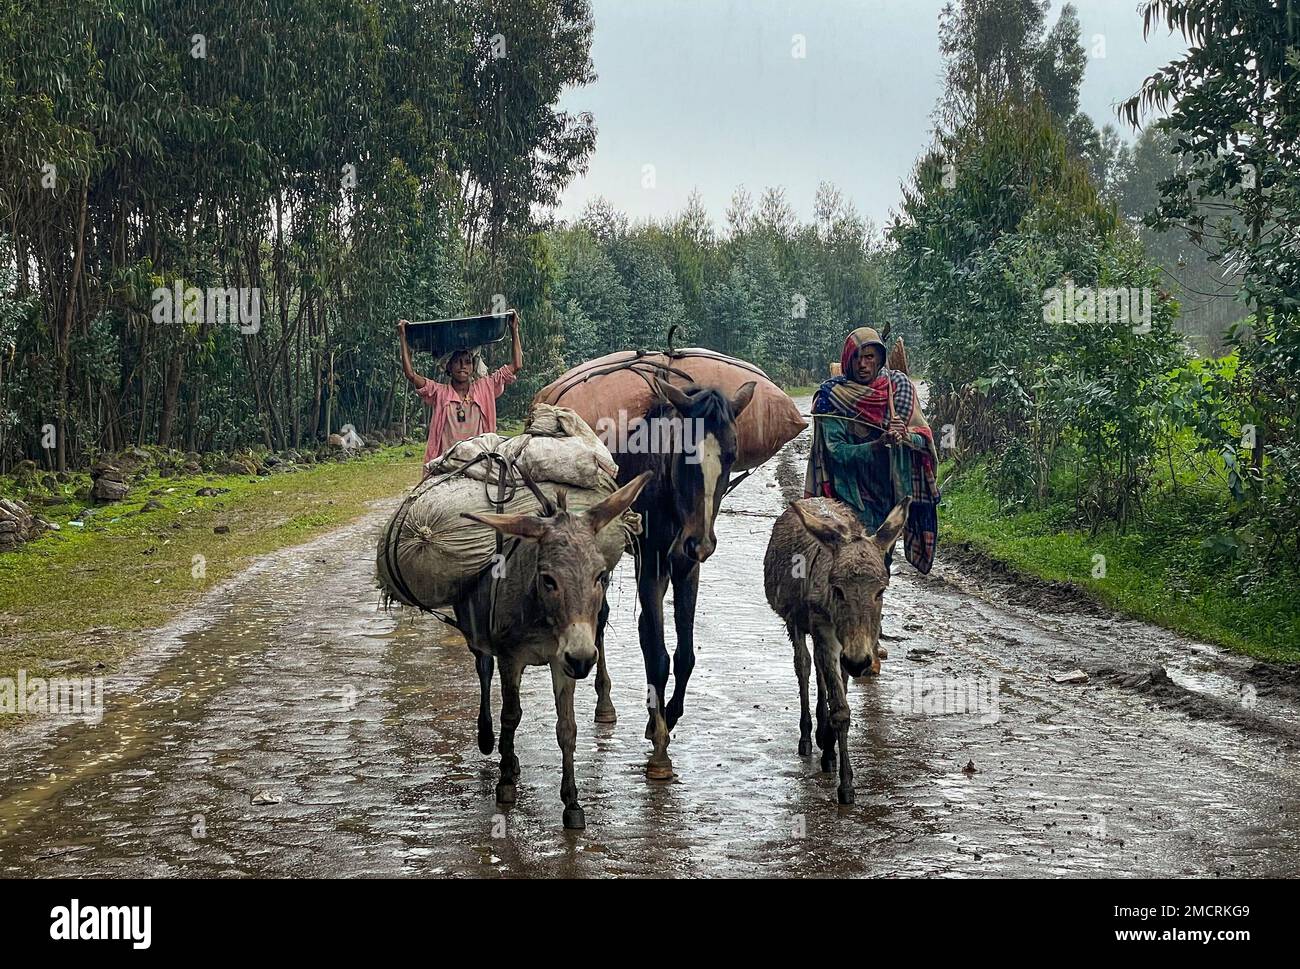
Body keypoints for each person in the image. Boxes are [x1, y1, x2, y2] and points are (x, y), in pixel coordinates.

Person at [804, 326, 940, 573]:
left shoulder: (898, 388)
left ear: (879, 359)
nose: (863, 364)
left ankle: (871, 609)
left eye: (869, 357)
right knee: (848, 561)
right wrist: (876, 446)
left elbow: (924, 440)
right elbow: (836, 452)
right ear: (847, 361)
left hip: (888, 494)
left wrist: (905, 436)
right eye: (857, 357)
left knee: (880, 563)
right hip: (846, 497)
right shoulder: (831, 397)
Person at [398, 310, 524, 478]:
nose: (462, 366)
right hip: (447, 465)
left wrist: (514, 330)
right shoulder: (439, 392)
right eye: (457, 362)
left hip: (480, 463)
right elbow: (411, 375)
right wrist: (403, 338)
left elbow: (516, 365)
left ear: (473, 367)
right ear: (448, 367)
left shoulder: (485, 387)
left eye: (467, 362)